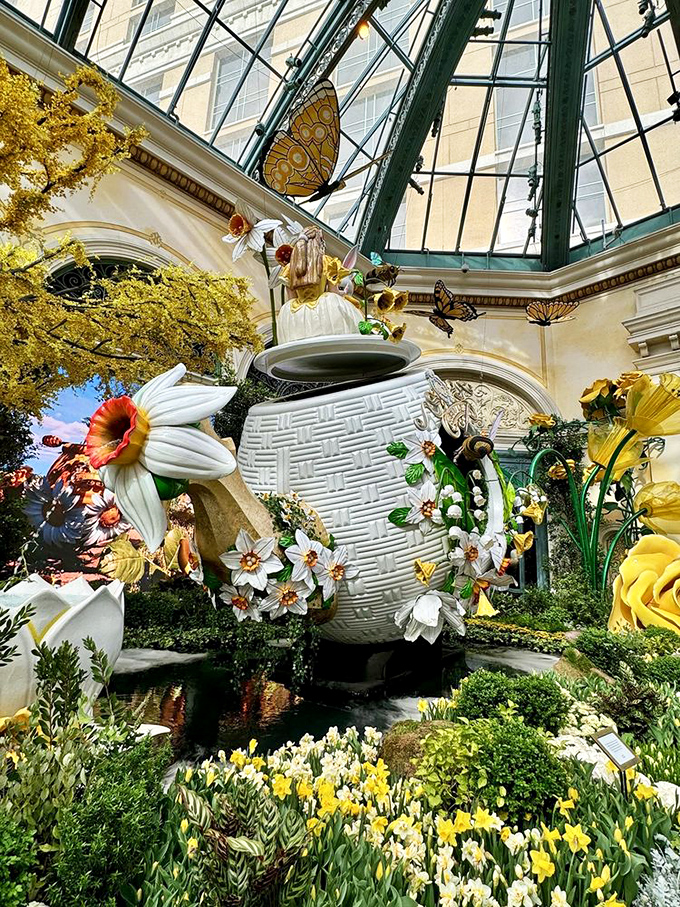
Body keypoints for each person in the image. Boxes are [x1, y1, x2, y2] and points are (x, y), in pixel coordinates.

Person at [277, 226, 361, 343]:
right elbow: (334, 292)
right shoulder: (326, 262)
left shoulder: (289, 269)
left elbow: (291, 298)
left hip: (296, 313)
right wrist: (343, 294)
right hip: (325, 307)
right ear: (319, 242)